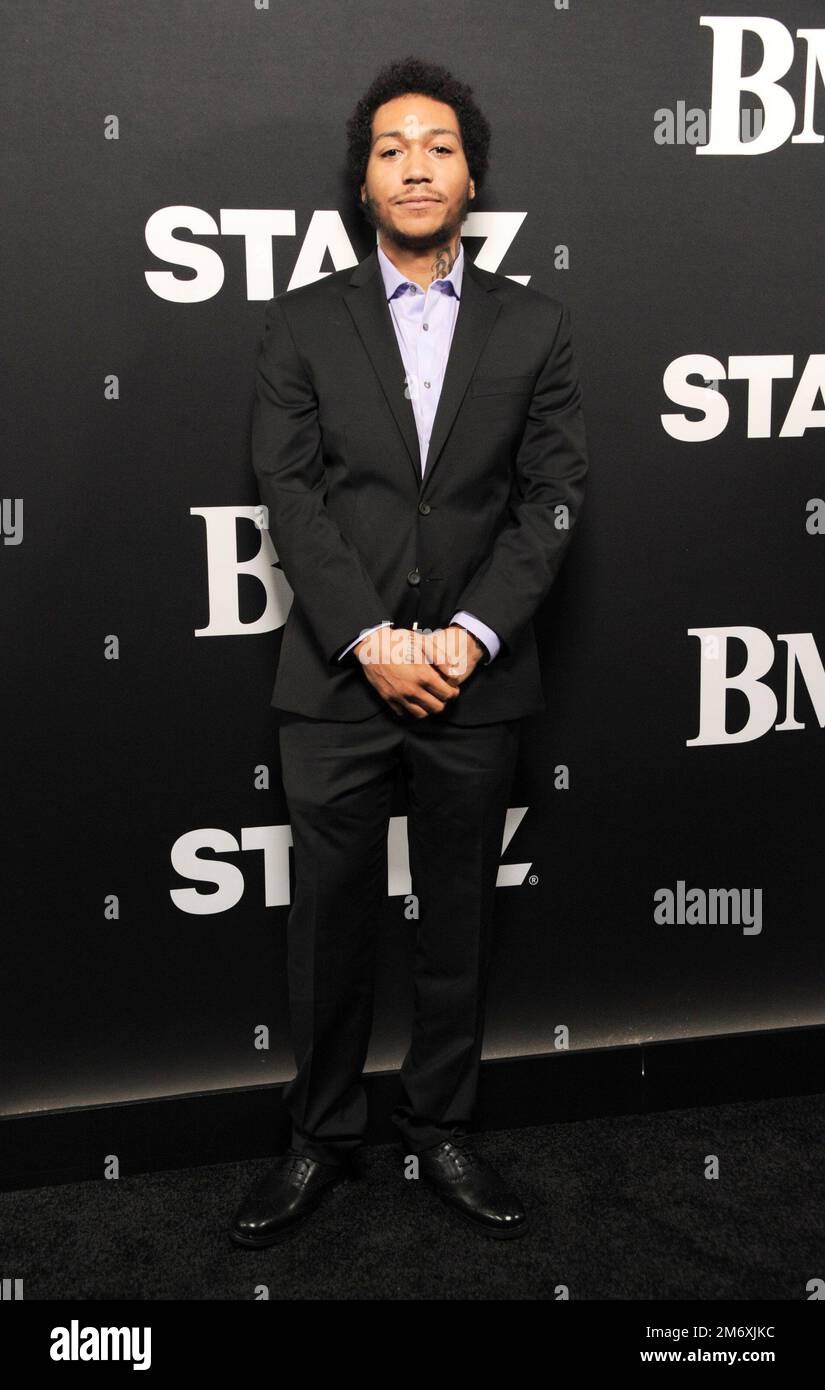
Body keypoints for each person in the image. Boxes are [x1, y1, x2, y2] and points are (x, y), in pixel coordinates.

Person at [230, 54, 588, 1247]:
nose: (416, 164)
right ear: (364, 179)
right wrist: (375, 639)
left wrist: (471, 637)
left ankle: (441, 1127)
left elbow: (551, 498)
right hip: (339, 680)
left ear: (469, 172)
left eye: (437, 145)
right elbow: (289, 495)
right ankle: (321, 1137)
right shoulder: (299, 322)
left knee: (457, 920)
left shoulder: (535, 323)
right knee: (327, 924)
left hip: (478, 682)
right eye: (392, 148)